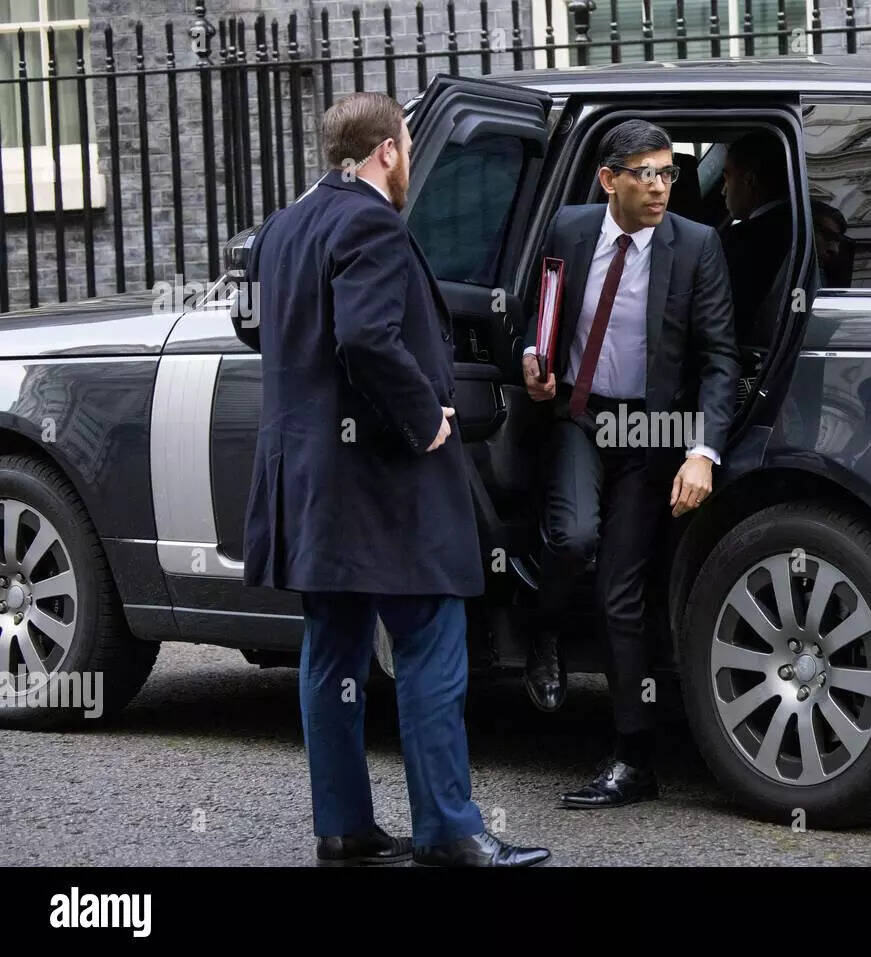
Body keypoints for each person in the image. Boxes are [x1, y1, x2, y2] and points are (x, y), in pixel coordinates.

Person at [236, 91, 548, 867]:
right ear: (386, 151)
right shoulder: (370, 222)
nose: (408, 161)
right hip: (382, 479)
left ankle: (342, 827)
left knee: (332, 650)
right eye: (407, 146)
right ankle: (448, 829)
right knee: (432, 638)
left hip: (310, 481)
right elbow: (367, 339)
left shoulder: (286, 225)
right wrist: (428, 417)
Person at [521, 119, 740, 808]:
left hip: (652, 434)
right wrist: (534, 359)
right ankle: (543, 627)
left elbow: (720, 360)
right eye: (644, 172)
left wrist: (702, 451)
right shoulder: (569, 228)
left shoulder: (697, 246)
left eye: (669, 172)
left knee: (622, 590)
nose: (659, 186)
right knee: (571, 538)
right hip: (581, 417)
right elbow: (542, 316)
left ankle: (633, 758)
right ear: (608, 179)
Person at [719, 131, 794, 337]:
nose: (723, 191)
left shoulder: (740, 241)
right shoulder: (799, 227)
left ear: (749, 180)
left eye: (727, 178)